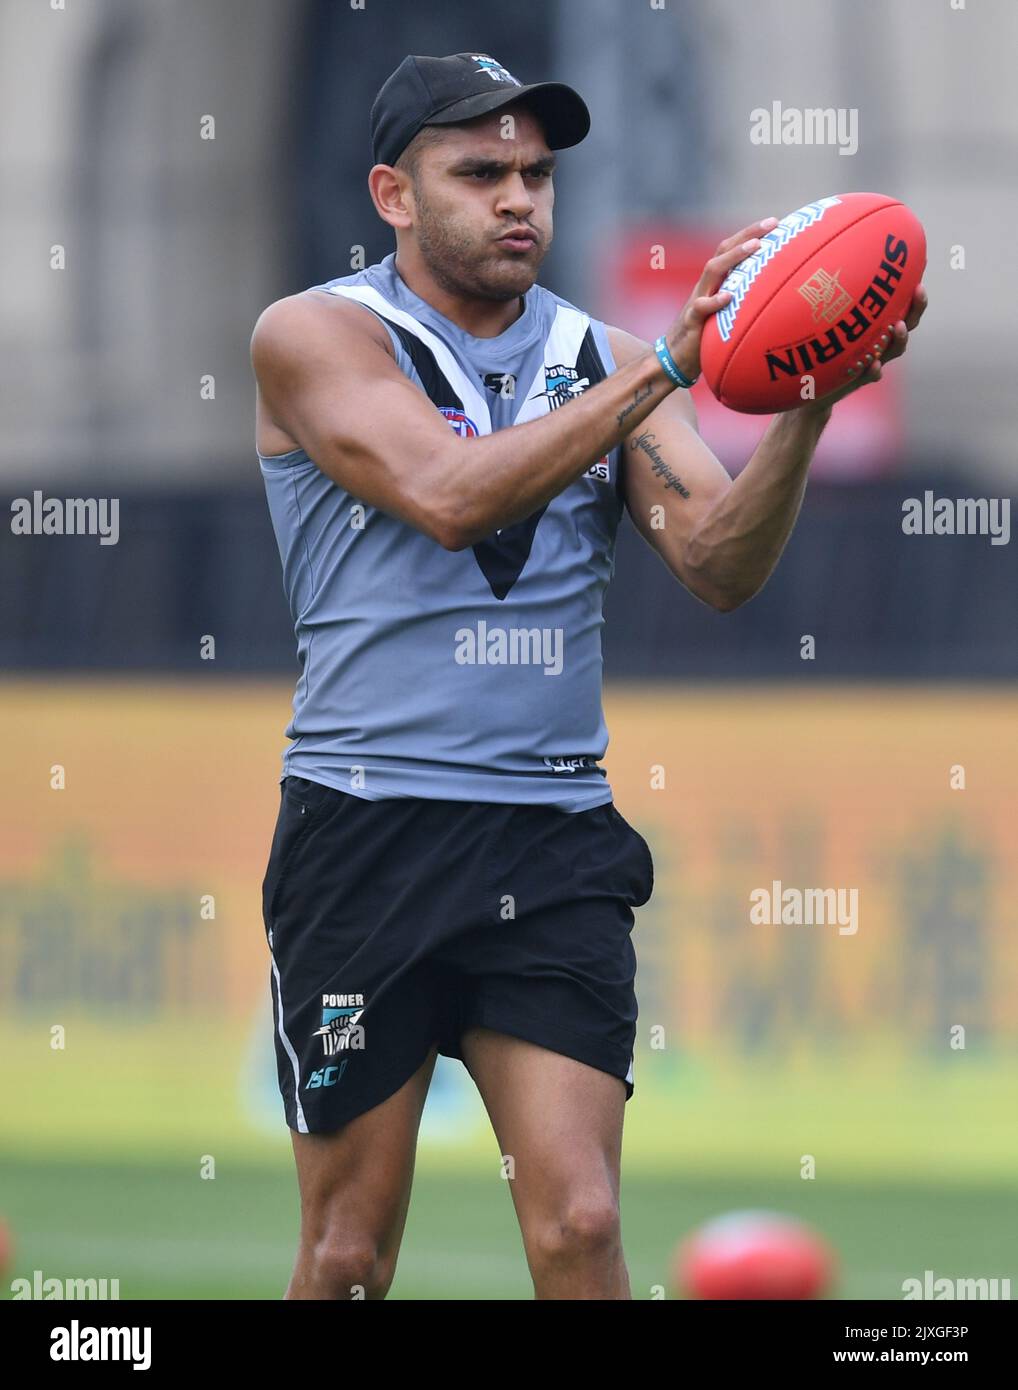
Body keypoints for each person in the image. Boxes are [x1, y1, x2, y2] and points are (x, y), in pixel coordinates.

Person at [250, 51, 926, 1300]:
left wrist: (807, 407)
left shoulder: (599, 352)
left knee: (580, 1226)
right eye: (481, 173)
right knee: (349, 1253)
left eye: (538, 174)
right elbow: (449, 499)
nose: (520, 199)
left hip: (550, 840)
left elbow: (719, 566)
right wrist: (662, 374)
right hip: (365, 833)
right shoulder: (315, 334)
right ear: (393, 194)